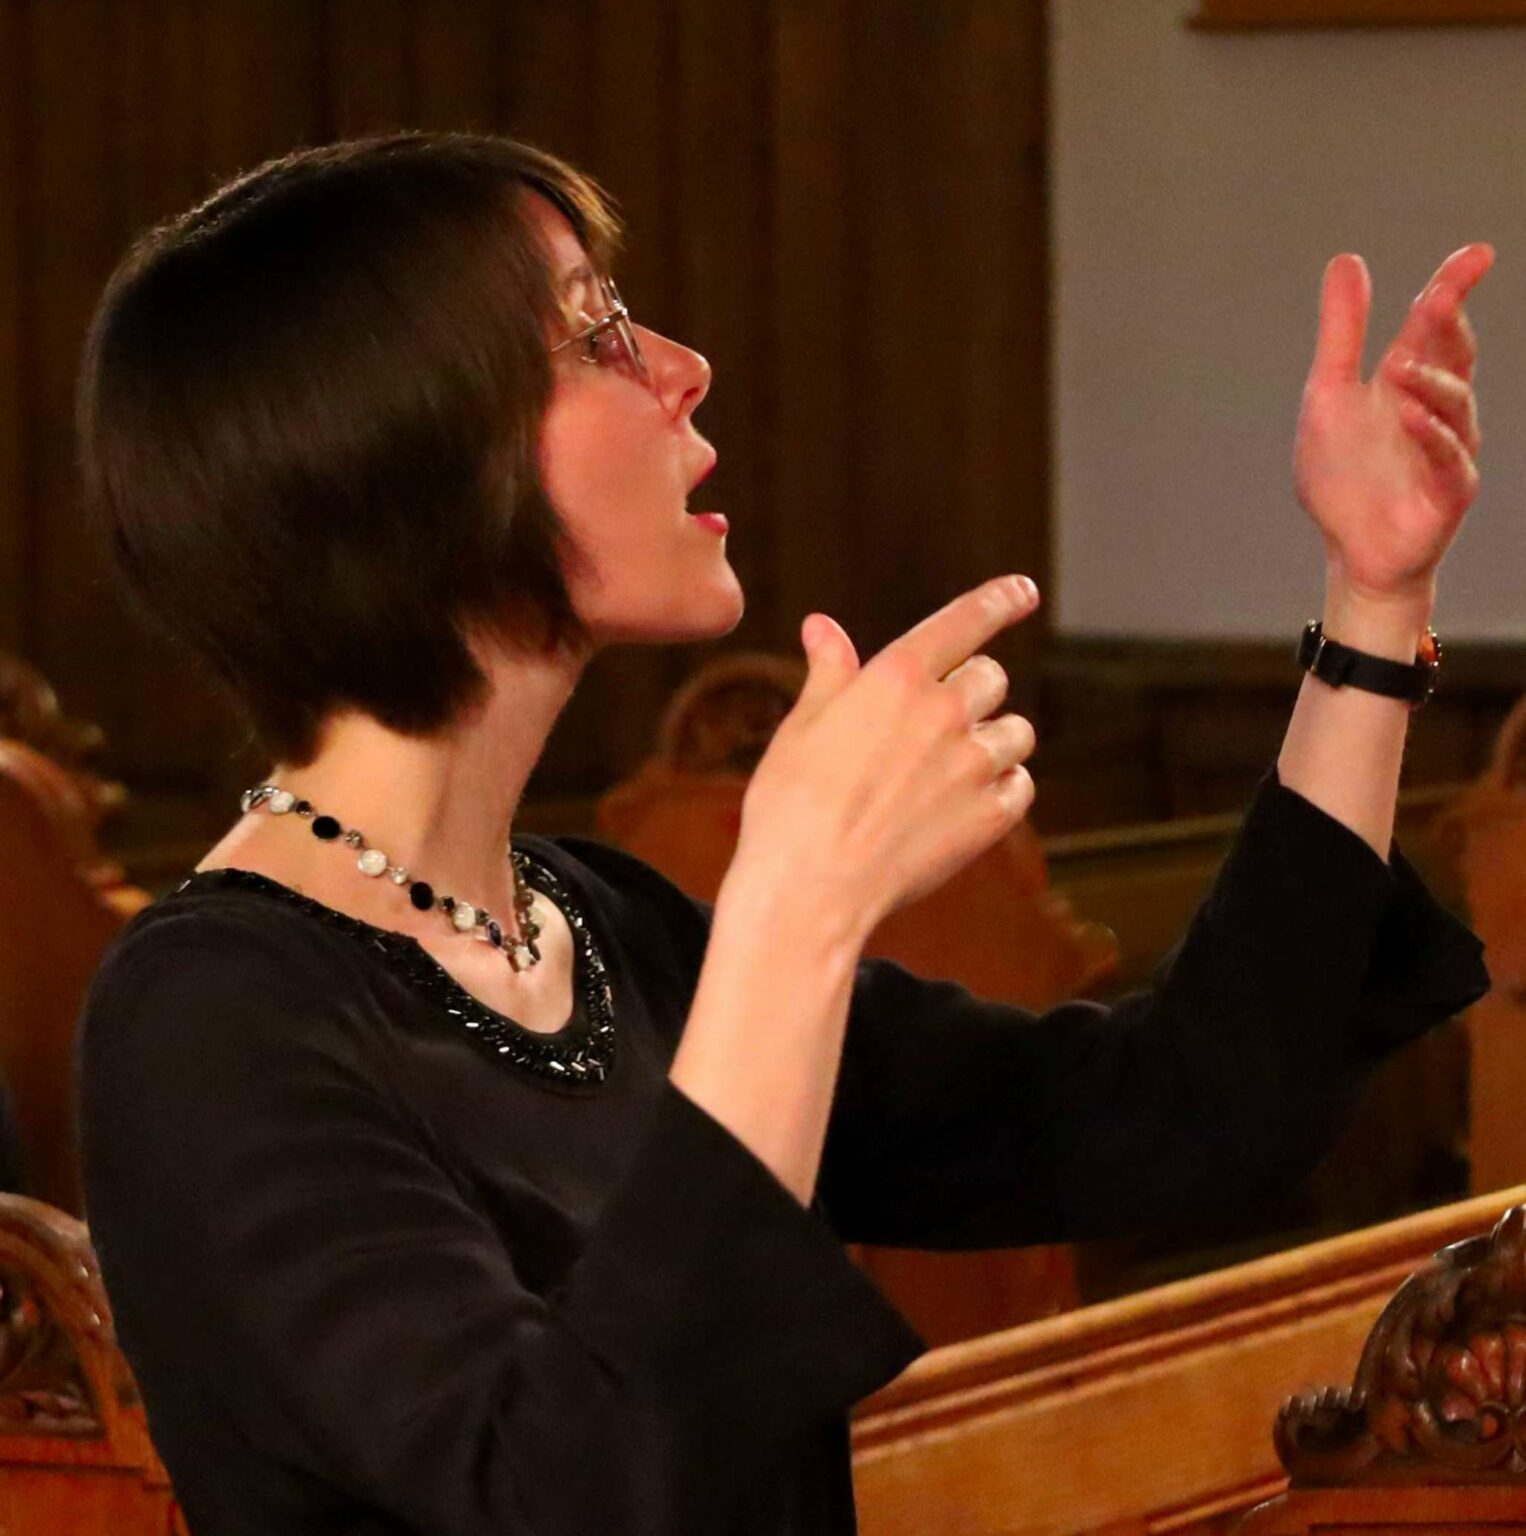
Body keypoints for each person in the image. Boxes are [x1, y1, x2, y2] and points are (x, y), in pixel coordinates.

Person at [74, 133, 1490, 1536]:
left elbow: (1191, 1110)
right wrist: (795, 910)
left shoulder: (606, 931)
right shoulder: (210, 1018)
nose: (682, 365)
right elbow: (565, 1497)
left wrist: (1371, 608)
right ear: (403, 459)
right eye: (596, 332)